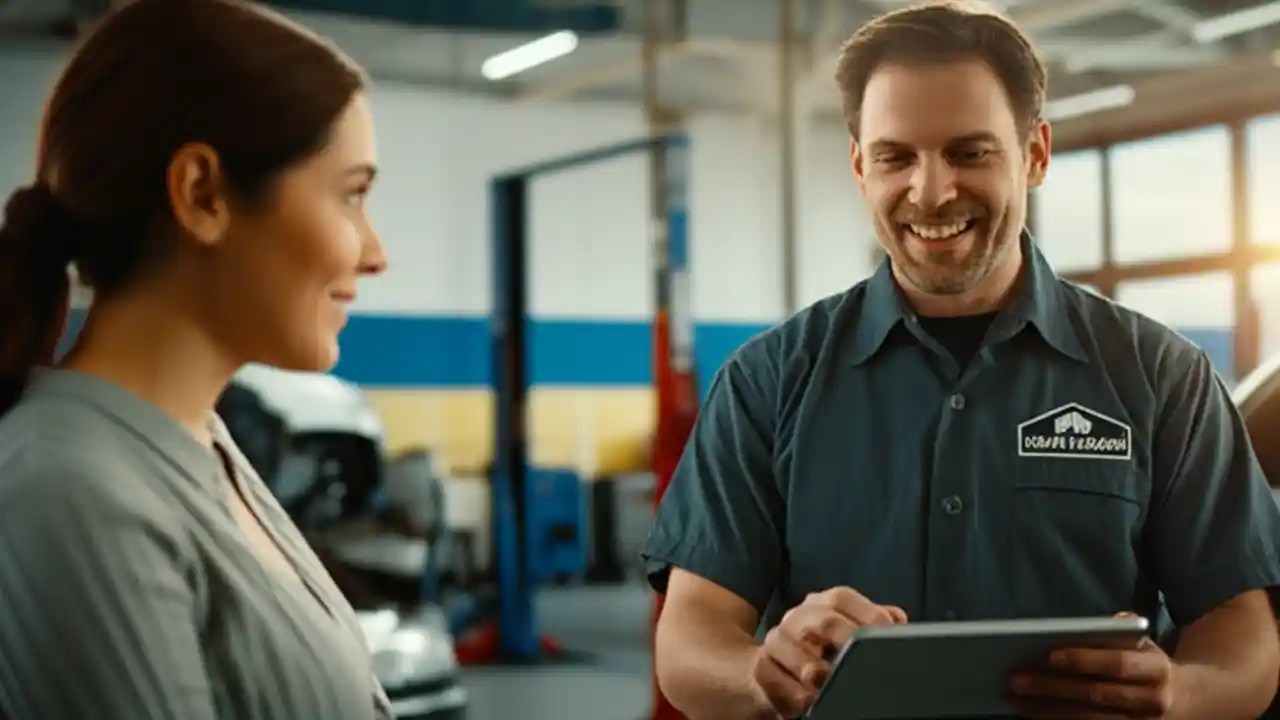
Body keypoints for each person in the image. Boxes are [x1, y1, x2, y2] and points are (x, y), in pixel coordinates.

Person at [643, 1, 1280, 718]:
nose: (932, 191)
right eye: (896, 157)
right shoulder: (768, 382)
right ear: (860, 165)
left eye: (969, 152)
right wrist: (762, 673)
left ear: (1035, 154)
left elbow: (1242, 634)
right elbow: (690, 640)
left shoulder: (1163, 379)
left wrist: (1186, 694)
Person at [0, 1, 393, 718]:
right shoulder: (72, 487)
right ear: (203, 194)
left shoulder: (199, 442)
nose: (375, 253)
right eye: (351, 196)